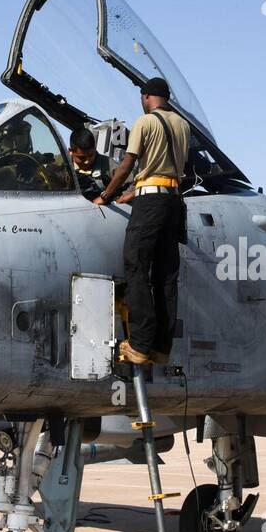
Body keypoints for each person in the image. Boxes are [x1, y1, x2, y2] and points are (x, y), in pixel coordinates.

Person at [94, 77, 190, 365]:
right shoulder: (183, 126)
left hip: (149, 203)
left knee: (136, 264)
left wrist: (107, 195)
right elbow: (171, 171)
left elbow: (127, 164)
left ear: (146, 96)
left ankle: (138, 343)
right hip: (173, 201)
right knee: (166, 275)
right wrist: (137, 192)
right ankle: (161, 346)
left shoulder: (144, 123)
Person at [68, 127, 114, 201]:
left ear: (95, 149)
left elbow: (132, 188)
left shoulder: (108, 165)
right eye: (82, 158)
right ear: (70, 151)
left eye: (90, 155)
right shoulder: (64, 168)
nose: (87, 161)